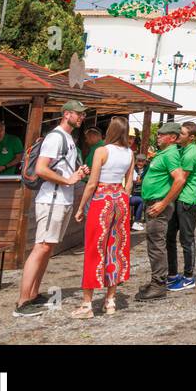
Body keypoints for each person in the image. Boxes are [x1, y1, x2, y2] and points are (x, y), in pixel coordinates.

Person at [14, 100, 92, 316]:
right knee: (41, 247)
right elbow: (41, 168)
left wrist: (77, 173)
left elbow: (62, 168)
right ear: (67, 114)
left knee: (48, 248)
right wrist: (67, 180)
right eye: (79, 114)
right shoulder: (56, 137)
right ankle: (22, 302)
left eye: (83, 114)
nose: (82, 117)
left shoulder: (68, 139)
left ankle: (33, 293)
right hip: (52, 199)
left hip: (61, 199)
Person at [71, 115, 134, 318]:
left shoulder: (102, 151)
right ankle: (110, 300)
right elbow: (129, 183)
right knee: (115, 248)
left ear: (111, 131)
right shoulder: (129, 153)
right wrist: (122, 197)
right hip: (121, 200)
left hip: (102, 200)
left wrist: (81, 207)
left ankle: (87, 304)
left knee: (94, 248)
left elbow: (92, 183)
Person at [135, 122, 188, 301]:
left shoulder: (171, 154)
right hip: (155, 202)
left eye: (161, 134)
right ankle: (157, 282)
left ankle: (158, 285)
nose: (158, 137)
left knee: (156, 245)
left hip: (158, 204)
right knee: (155, 243)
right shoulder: (166, 153)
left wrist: (164, 203)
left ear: (172, 138)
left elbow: (179, 179)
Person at [165, 121, 196, 291]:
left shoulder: (190, 153)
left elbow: (181, 179)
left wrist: (164, 201)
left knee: (187, 239)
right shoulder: (182, 149)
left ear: (191, 137)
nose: (178, 135)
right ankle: (173, 273)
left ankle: (189, 277)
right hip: (180, 198)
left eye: (181, 133)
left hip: (189, 199)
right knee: (170, 235)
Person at [129, 155, 147, 232]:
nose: (140, 163)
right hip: (133, 190)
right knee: (138, 203)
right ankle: (134, 221)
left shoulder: (147, 169)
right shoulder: (133, 168)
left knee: (140, 204)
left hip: (142, 190)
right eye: (138, 161)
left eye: (142, 161)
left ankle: (137, 221)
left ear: (145, 162)